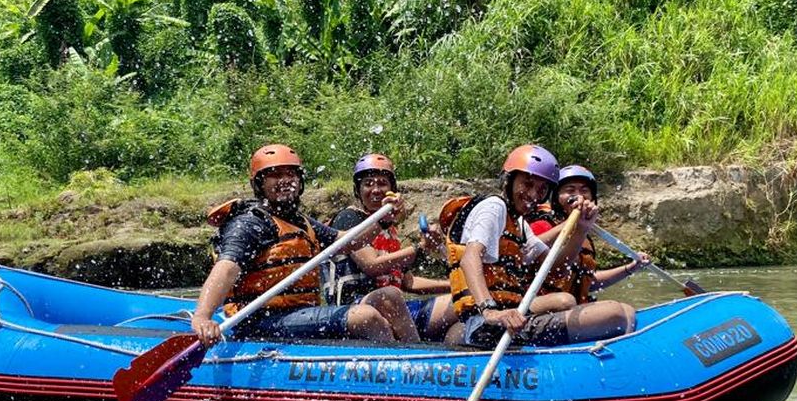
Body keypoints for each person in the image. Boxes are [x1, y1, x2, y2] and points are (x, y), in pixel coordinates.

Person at [190, 144, 399, 348]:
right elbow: (226, 269)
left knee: (387, 296)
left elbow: (346, 242)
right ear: (260, 183)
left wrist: (382, 221)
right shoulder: (250, 223)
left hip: (298, 314)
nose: (285, 180)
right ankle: (394, 364)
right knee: (365, 316)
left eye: (291, 174)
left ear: (300, 182)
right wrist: (202, 316)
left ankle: (410, 353)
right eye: (275, 175)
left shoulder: (300, 221)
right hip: (259, 320)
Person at [440, 144, 636, 348]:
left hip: (511, 317)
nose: (533, 194)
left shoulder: (521, 225)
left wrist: (581, 229)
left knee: (624, 311)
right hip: (485, 326)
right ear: (509, 181)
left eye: (542, 190)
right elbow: (470, 258)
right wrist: (490, 311)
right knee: (615, 314)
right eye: (527, 184)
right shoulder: (494, 207)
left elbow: (556, 270)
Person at [327, 153, 458, 343]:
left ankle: (456, 354)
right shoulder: (349, 218)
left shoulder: (389, 228)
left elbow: (408, 283)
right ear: (358, 190)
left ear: (392, 190)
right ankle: (415, 352)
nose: (375, 189)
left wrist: (456, 285)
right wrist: (421, 248)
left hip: (395, 308)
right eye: (368, 184)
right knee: (389, 295)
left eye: (382, 183)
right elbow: (372, 265)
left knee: (460, 303)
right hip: (355, 309)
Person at [528, 164, 651, 304]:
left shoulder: (585, 235)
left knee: (623, 309)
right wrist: (570, 224)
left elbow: (587, 281)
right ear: (556, 197)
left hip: (573, 307)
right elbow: (526, 250)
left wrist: (630, 268)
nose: (578, 195)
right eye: (570, 190)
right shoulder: (542, 225)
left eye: (584, 190)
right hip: (543, 305)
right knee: (613, 309)